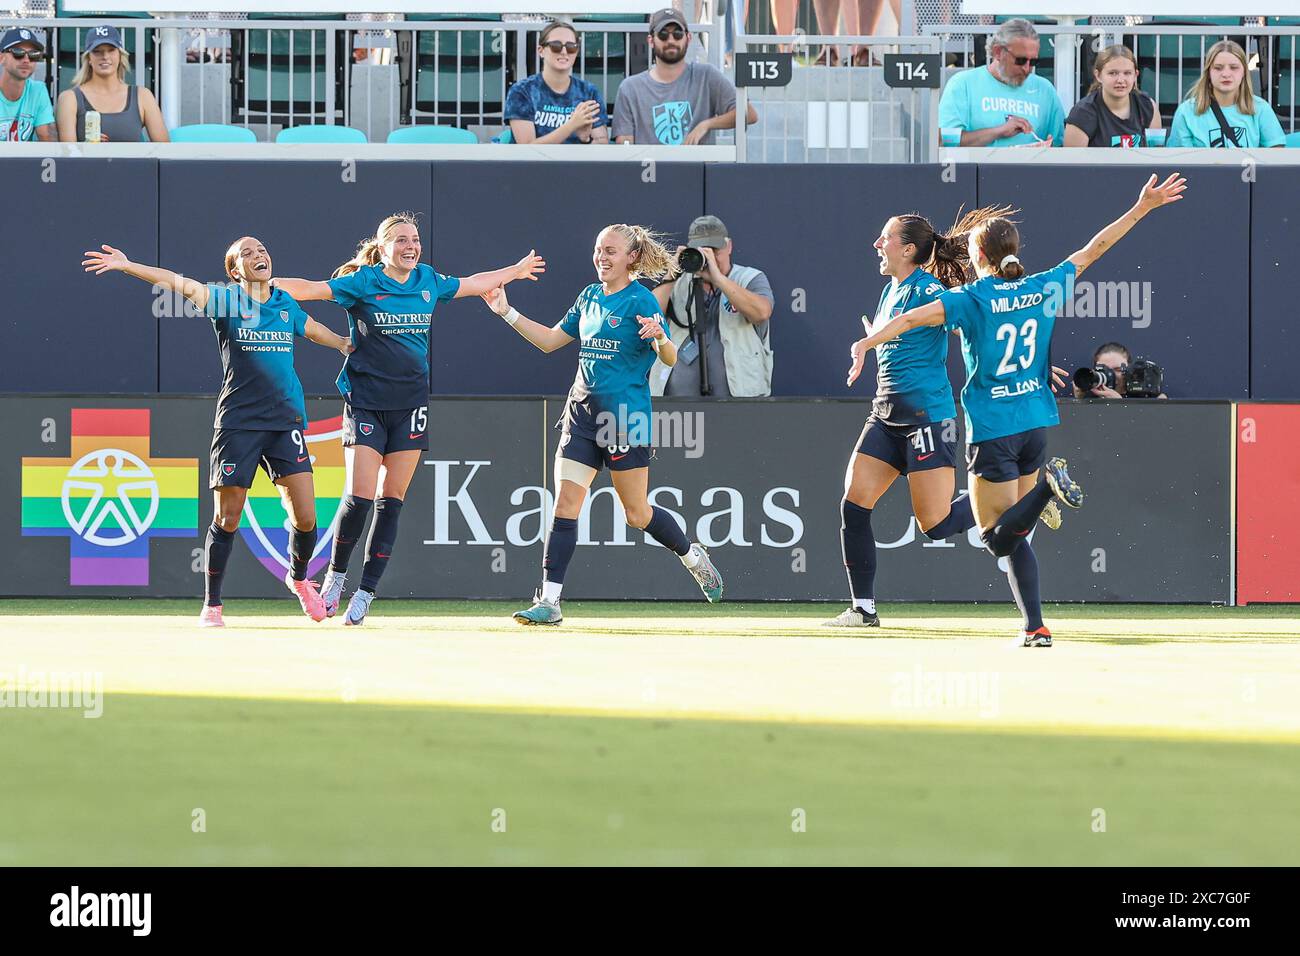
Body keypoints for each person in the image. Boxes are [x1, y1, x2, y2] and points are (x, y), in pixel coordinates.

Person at [853, 172, 1187, 646]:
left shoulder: (971, 298)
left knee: (996, 536)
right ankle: (1036, 626)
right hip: (1036, 425)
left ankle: (1047, 491)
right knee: (1017, 531)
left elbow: (910, 319)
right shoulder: (1045, 286)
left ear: (980, 256)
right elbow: (1095, 248)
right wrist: (1143, 208)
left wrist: (869, 340)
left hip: (994, 428)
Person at [272, 215, 545, 626]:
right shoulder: (363, 282)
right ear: (382, 249)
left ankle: (365, 594)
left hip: (410, 405)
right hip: (366, 402)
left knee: (391, 500)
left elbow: (473, 282)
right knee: (359, 496)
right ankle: (336, 577)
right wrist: (261, 288)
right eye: (400, 240)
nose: (410, 246)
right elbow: (311, 289)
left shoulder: (428, 280)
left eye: (414, 239)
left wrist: (515, 270)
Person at [82, 238, 354, 628]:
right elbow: (178, 283)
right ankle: (212, 605)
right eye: (247, 253)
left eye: (261, 249)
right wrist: (128, 266)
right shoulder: (224, 300)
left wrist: (345, 344)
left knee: (307, 517)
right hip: (237, 425)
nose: (258, 255)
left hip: (285, 422)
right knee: (228, 518)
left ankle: (298, 580)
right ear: (233, 271)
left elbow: (312, 331)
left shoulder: (284, 304)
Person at [478, 224, 725, 624]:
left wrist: (661, 337)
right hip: (581, 415)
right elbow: (549, 341)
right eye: (598, 250)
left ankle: (693, 556)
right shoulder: (589, 297)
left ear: (631, 258)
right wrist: (506, 311)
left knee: (637, 514)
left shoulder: (641, 301)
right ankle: (550, 603)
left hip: (625, 422)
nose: (601, 257)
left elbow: (669, 359)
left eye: (611, 251)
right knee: (565, 504)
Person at [832, 207, 1059, 627]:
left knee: (934, 526)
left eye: (886, 239)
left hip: (925, 419)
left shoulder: (927, 289)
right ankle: (863, 609)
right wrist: (874, 338)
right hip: (884, 415)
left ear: (909, 249)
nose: (877, 245)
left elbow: (977, 325)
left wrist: (1030, 368)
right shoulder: (891, 290)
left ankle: (1021, 505)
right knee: (853, 504)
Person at [650, 215, 774, 398]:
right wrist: (672, 273)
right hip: (678, 405)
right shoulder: (677, 282)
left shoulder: (749, 278)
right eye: (703, 250)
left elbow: (762, 312)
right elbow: (651, 314)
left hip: (741, 398)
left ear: (729, 246)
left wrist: (718, 278)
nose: (710, 256)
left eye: (715, 249)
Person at [613, 7, 758, 145]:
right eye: (663, 34)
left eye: (677, 34)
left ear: (688, 38)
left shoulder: (706, 76)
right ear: (651, 40)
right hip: (649, 170)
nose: (671, 40)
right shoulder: (630, 87)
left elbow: (749, 114)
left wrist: (706, 125)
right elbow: (625, 144)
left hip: (698, 170)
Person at [937, 18, 1064, 147]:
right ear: (998, 52)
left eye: (1033, 62)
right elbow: (944, 139)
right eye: (1020, 60)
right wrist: (998, 131)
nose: (1026, 68)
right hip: (978, 166)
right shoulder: (963, 84)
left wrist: (1050, 148)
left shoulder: (1045, 89)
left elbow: (1061, 143)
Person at [56, 25, 168, 144]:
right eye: (97, 51)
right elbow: (67, 154)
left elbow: (164, 149)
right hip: (88, 163)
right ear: (89, 58)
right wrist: (86, 147)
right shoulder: (69, 98)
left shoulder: (143, 96)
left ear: (120, 55)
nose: (105, 56)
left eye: (111, 50)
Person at [1167, 40, 1286, 149]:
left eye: (1234, 68)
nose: (1226, 74)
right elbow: (1180, 162)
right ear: (1208, 73)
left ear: (1244, 72)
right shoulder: (1186, 112)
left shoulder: (1261, 108)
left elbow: (1276, 157)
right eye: (1218, 68)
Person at [505, 20, 608, 145]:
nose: (564, 52)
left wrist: (585, 139)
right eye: (556, 46)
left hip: (576, 164)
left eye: (571, 47)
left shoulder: (588, 91)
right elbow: (527, 148)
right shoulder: (522, 91)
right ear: (541, 50)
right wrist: (571, 126)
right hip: (536, 165)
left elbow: (601, 143)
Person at [1064, 45, 1160, 148]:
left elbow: (1156, 155)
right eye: (1113, 73)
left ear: (1135, 75)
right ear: (1098, 76)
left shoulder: (1147, 106)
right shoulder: (1082, 113)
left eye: (1127, 73)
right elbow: (1073, 162)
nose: (1120, 80)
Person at [0, 27, 55, 142]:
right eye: (18, 53)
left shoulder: (38, 90)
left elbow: (47, 139)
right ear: (1, 58)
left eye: (33, 54)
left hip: (23, 160)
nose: (26, 60)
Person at [1072, 342, 1168, 400]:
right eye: (1103, 369)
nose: (1110, 374)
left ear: (1131, 370)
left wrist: (1119, 404)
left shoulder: (1145, 397)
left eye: (1117, 369)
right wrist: (1079, 401)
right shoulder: (1090, 396)